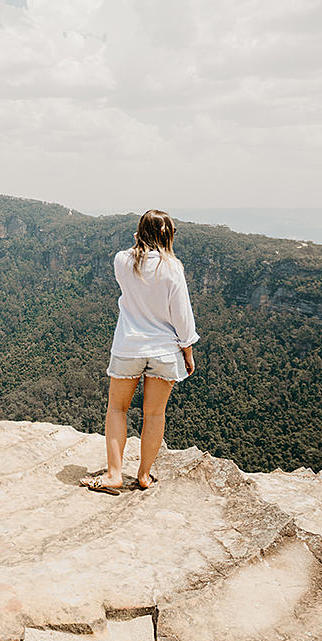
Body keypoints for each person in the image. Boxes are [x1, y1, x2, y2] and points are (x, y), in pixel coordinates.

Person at [82, 209, 199, 494]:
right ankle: (144, 475)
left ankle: (114, 474)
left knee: (117, 409)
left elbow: (133, 259)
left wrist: (138, 241)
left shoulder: (122, 261)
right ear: (168, 236)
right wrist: (187, 352)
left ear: (139, 233)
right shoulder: (173, 268)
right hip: (164, 351)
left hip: (129, 347)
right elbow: (182, 316)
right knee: (155, 415)